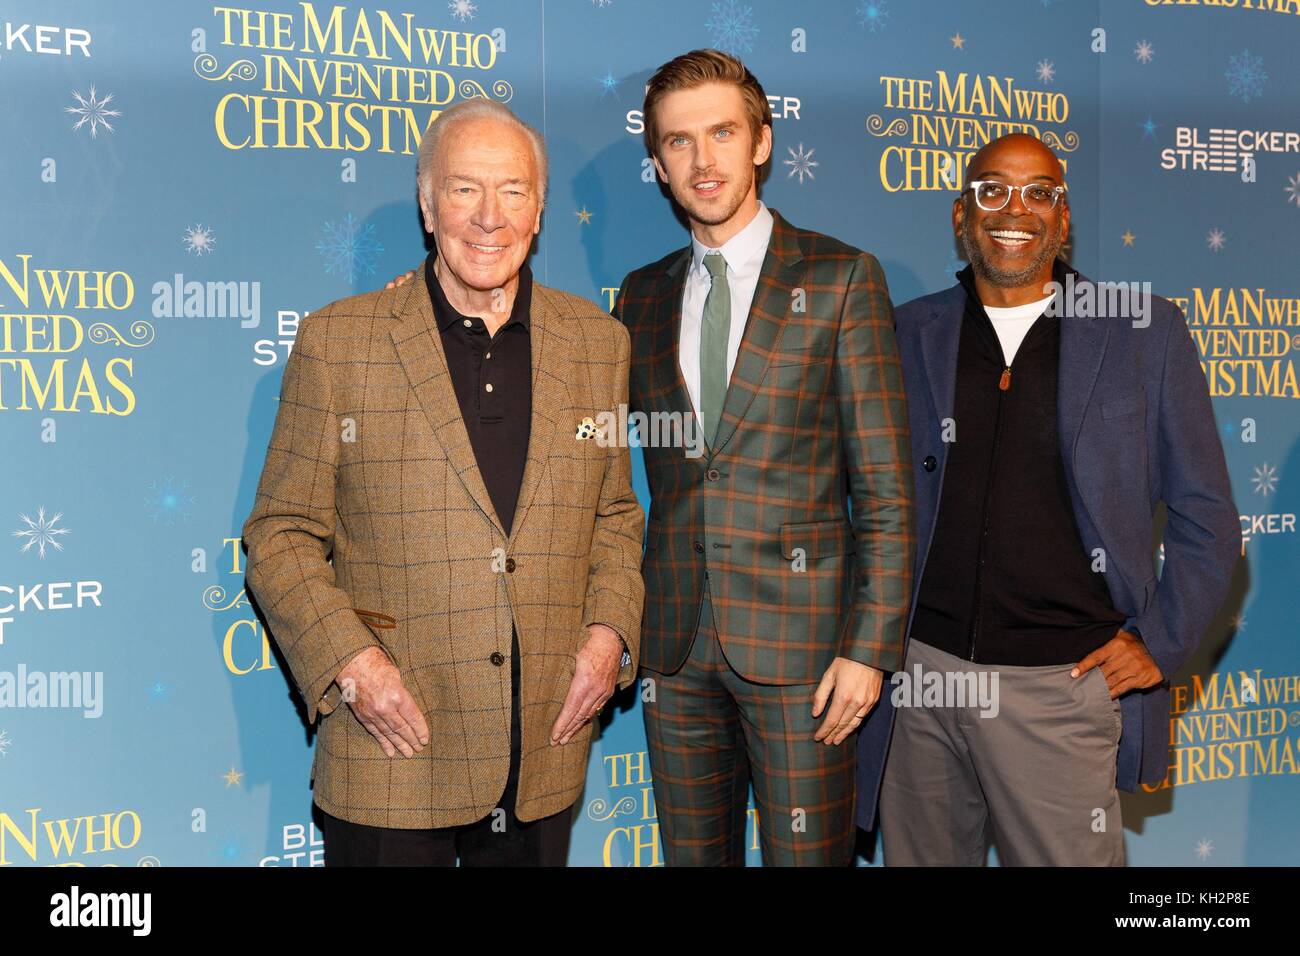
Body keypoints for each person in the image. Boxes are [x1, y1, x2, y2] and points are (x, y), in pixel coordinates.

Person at [242, 98, 644, 866]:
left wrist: (609, 637)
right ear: (428, 207)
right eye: (464, 189)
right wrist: (352, 666)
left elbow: (616, 516)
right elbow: (281, 535)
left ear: (539, 210)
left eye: (513, 191)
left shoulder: (599, 343)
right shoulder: (339, 341)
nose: (488, 217)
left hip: (542, 751)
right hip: (392, 749)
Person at [858, 132, 1240, 865]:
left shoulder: (1145, 332)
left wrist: (1159, 643)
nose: (1016, 209)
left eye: (1040, 193)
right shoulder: (906, 332)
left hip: (1061, 691)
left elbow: (1210, 522)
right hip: (919, 681)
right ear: (960, 214)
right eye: (992, 190)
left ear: (1063, 220)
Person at [616, 49, 913, 866]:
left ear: (762, 142)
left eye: (721, 132)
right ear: (659, 163)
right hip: (672, 648)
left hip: (808, 654)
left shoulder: (841, 276)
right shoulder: (639, 295)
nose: (702, 160)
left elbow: (886, 489)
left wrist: (869, 649)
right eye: (678, 142)